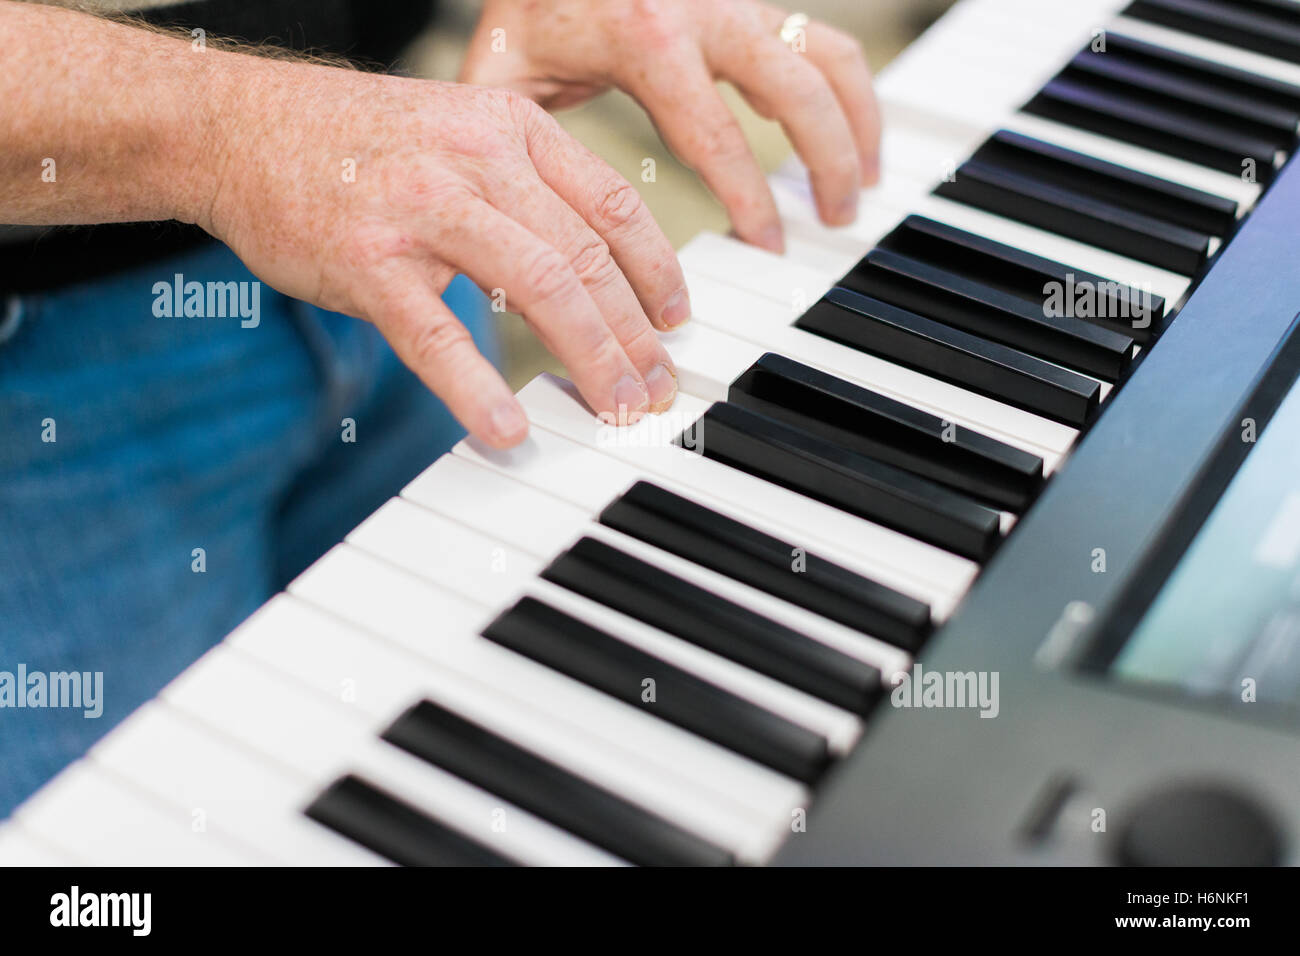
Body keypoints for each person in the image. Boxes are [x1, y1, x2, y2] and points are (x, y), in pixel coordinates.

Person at [0, 0, 880, 816]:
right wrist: (238, 130)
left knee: (466, 748)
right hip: (52, 378)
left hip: (408, 191)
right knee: (138, 836)